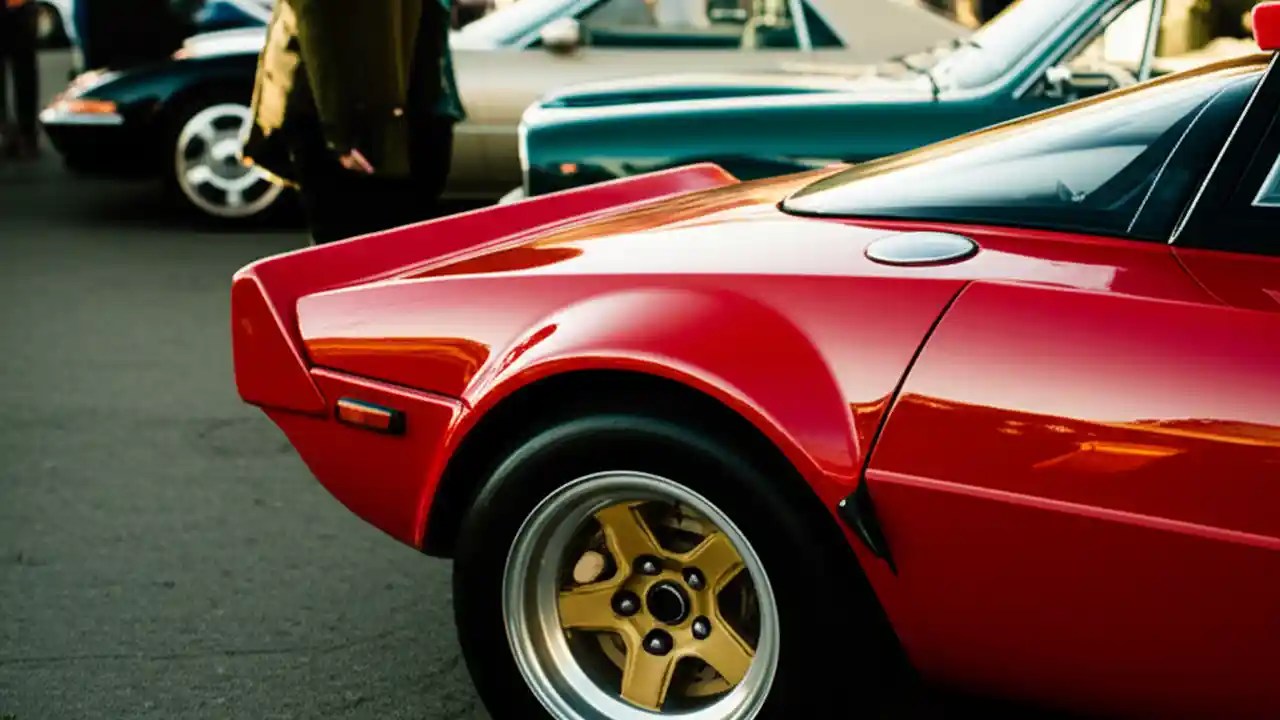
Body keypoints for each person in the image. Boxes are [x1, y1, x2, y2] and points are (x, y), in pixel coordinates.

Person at [243, 0, 465, 244]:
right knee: (384, 254)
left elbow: (318, 30)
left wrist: (339, 135)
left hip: (364, 123)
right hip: (398, 119)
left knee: (353, 256)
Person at [0, 0, 39, 160]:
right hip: (18, 9)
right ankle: (15, 132)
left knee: (24, 70)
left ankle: (24, 133)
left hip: (19, 8)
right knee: (24, 70)